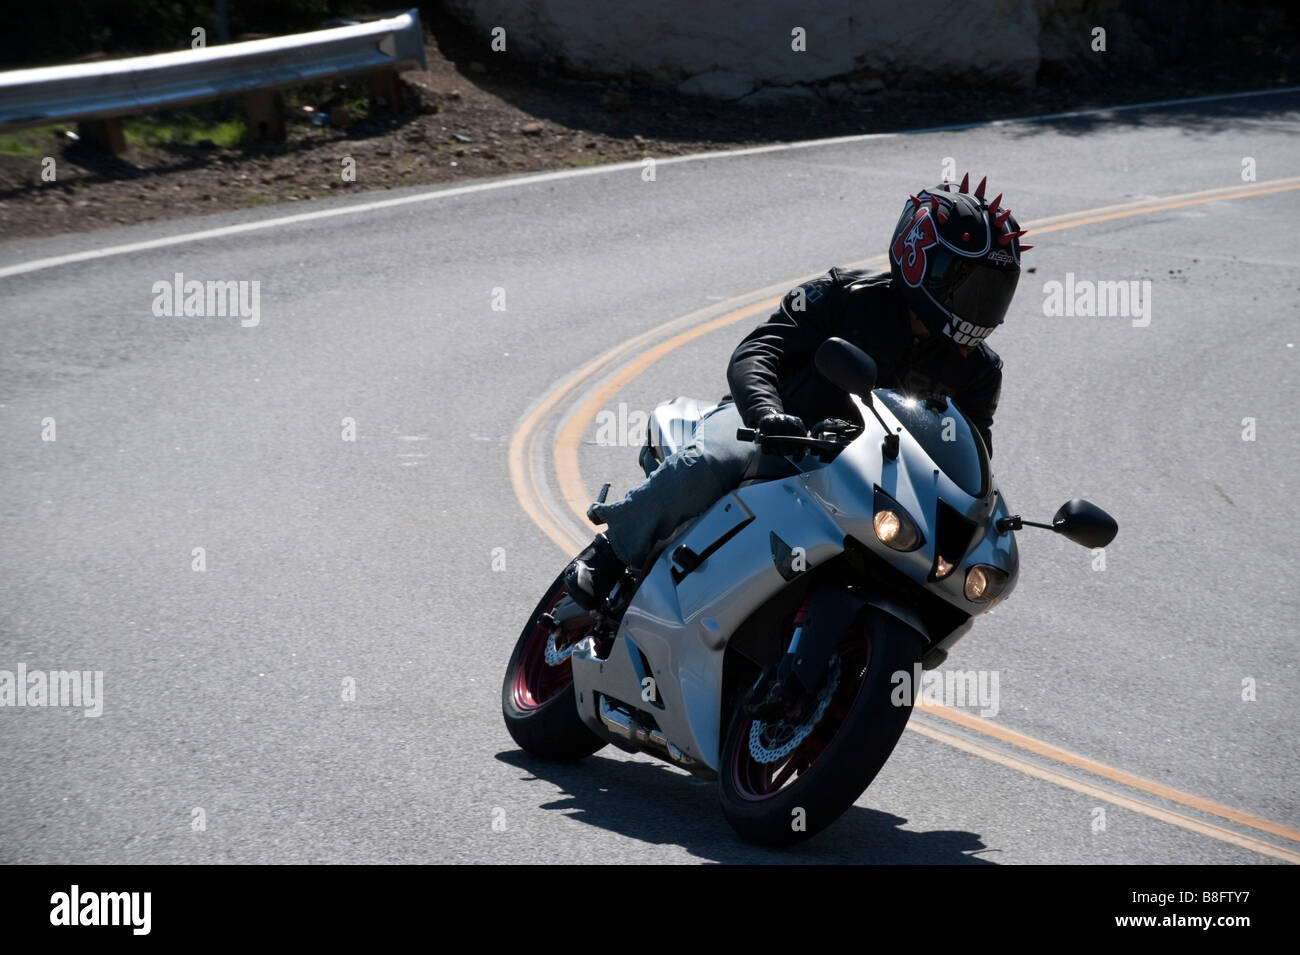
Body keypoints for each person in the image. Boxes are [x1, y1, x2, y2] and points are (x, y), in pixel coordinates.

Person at [564, 173, 1029, 611]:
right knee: (711, 461)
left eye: (992, 293)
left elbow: (969, 449)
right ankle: (611, 552)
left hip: (868, 480)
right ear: (919, 255)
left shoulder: (981, 371)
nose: (979, 308)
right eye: (970, 288)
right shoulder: (845, 295)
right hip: (777, 435)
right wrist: (767, 414)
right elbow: (757, 354)